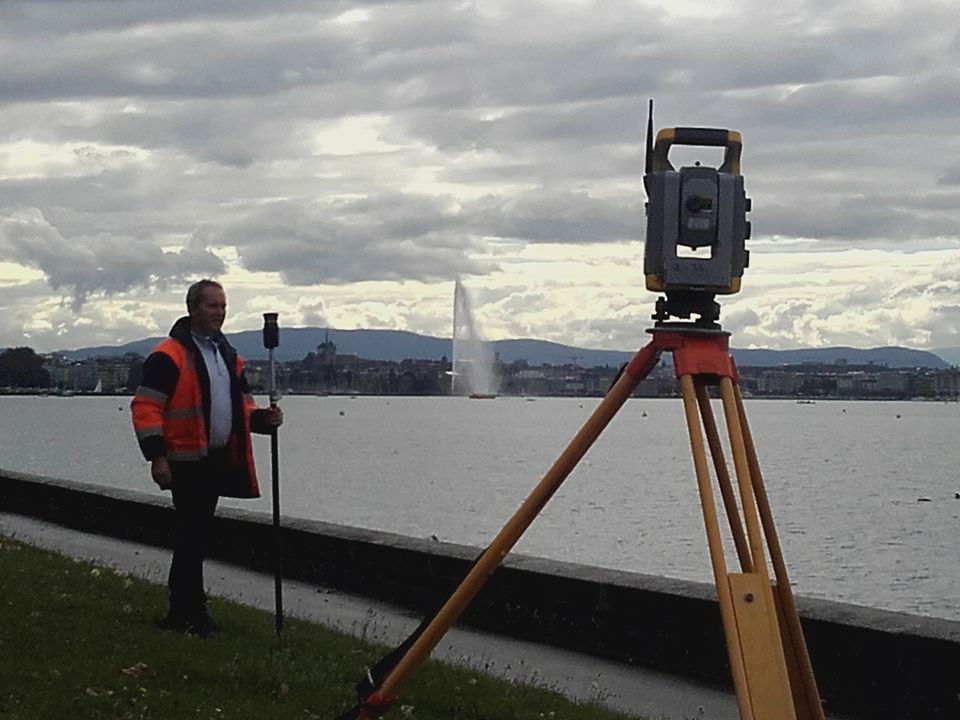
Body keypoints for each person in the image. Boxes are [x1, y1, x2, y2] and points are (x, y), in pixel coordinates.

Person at [131, 279, 282, 635]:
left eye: (223, 306)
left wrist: (262, 419)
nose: (220, 312)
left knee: (196, 536)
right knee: (190, 536)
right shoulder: (169, 356)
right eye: (212, 306)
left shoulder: (228, 357)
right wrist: (157, 457)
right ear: (193, 309)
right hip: (185, 460)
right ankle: (186, 613)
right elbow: (146, 407)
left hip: (214, 458)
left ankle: (188, 611)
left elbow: (239, 406)